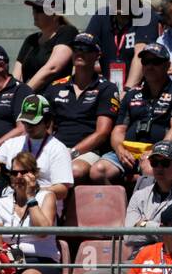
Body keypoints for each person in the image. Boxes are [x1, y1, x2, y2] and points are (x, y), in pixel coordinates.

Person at [76, 140, 172, 274]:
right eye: (154, 162)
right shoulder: (139, 195)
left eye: (165, 163)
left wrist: (144, 224)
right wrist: (161, 229)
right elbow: (129, 236)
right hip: (141, 261)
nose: (159, 168)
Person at [91, 42, 172, 183]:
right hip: (129, 152)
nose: (150, 66)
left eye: (156, 62)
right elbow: (119, 129)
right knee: (98, 171)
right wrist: (120, 149)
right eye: (146, 61)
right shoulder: (132, 94)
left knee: (149, 171)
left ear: (167, 65)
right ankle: (120, 204)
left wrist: (157, 152)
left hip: (160, 155)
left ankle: (147, 204)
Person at [0, 151, 60, 274]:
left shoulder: (46, 197)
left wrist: (30, 197)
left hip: (41, 260)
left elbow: (42, 232)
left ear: (34, 174)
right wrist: (4, 267)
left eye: (24, 172)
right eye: (15, 173)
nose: (19, 177)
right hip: (11, 260)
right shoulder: (2, 203)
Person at [42, 33, 119, 182]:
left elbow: (102, 133)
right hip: (56, 148)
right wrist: (46, 150)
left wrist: (72, 153)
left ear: (97, 55)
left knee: (73, 170)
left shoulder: (107, 88)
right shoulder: (55, 86)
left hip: (87, 152)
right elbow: (47, 127)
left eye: (85, 48)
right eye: (76, 48)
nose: (79, 52)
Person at [0, 94, 74, 206]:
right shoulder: (13, 143)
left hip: (42, 205)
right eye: (26, 121)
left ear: (47, 122)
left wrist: (32, 191)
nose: (29, 126)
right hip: (12, 204)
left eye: (34, 122)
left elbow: (62, 190)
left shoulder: (57, 148)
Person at [14, 0, 77, 94]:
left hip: (56, 101)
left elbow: (52, 68)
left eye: (40, 9)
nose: (34, 13)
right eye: (34, 8)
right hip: (31, 102)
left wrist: (23, 94)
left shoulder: (67, 33)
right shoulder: (31, 40)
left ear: (56, 15)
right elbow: (17, 74)